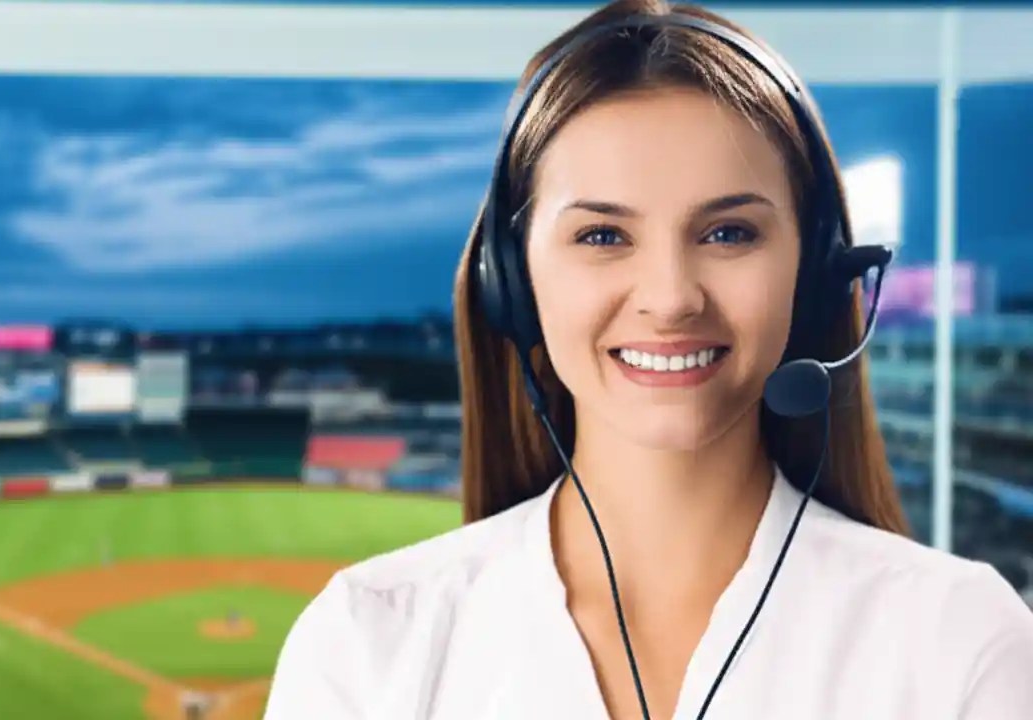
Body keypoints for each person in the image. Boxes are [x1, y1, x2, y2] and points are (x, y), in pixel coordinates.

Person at [264, 1, 1033, 718]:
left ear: (817, 268)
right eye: (602, 236)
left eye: (729, 233)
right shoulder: (367, 643)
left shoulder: (959, 642)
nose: (670, 299)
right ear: (514, 281)